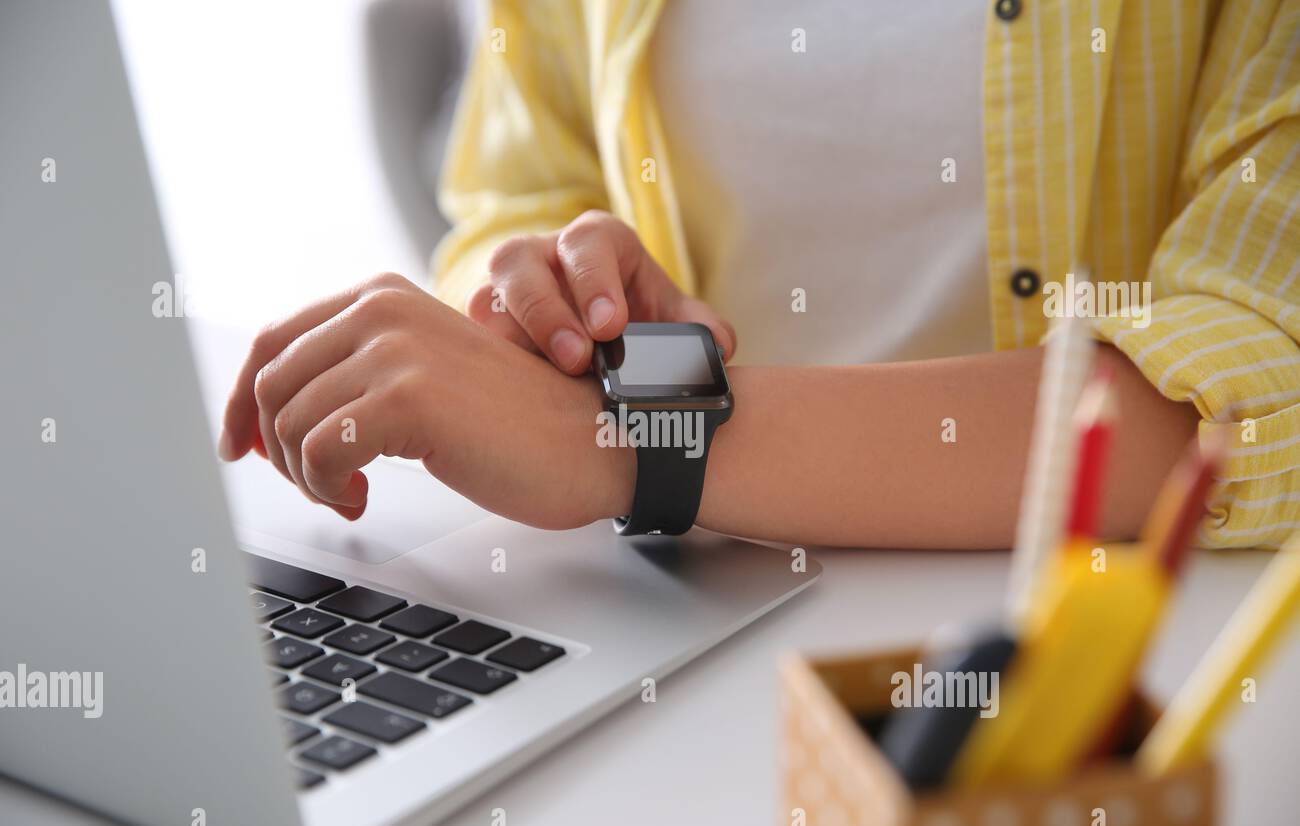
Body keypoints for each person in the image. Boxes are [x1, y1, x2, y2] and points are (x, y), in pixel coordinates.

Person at [220, 0, 1300, 549]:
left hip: (1072, 673)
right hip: (665, 610)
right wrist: (542, 299)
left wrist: (624, 437)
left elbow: (1262, 371)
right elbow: (518, 180)